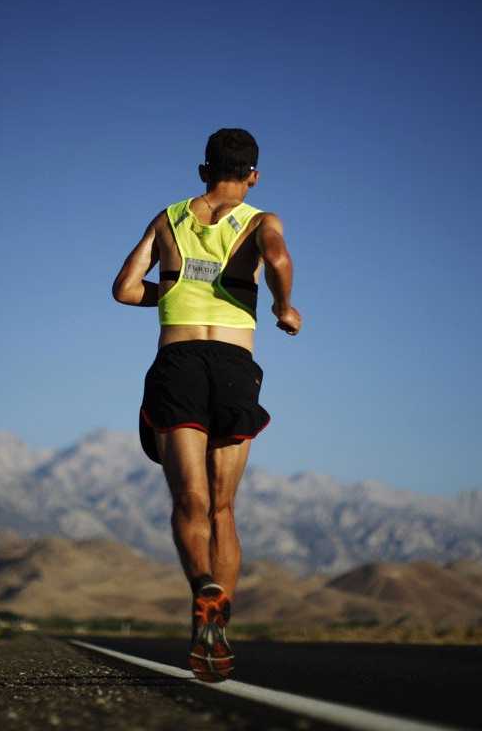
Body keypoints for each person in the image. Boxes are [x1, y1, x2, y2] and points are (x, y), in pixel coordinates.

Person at [111, 128, 301, 681]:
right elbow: (281, 259)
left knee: (188, 501)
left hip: (178, 362)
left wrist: (168, 292)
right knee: (223, 509)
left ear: (203, 170)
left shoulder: (167, 219)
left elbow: (125, 287)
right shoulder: (263, 221)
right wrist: (284, 307)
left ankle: (203, 588)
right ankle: (220, 619)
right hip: (234, 365)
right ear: (254, 175)